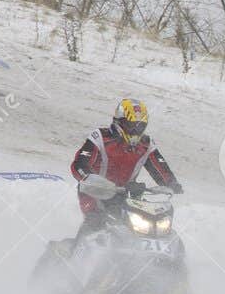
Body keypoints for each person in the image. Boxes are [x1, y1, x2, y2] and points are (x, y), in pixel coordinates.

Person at [70, 98, 182, 231]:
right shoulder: (100, 137)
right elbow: (79, 165)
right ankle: (77, 250)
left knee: (152, 223)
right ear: (119, 122)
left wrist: (171, 183)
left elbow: (159, 166)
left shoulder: (146, 144)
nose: (135, 130)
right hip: (94, 191)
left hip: (126, 193)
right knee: (95, 221)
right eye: (131, 125)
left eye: (140, 126)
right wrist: (89, 179)